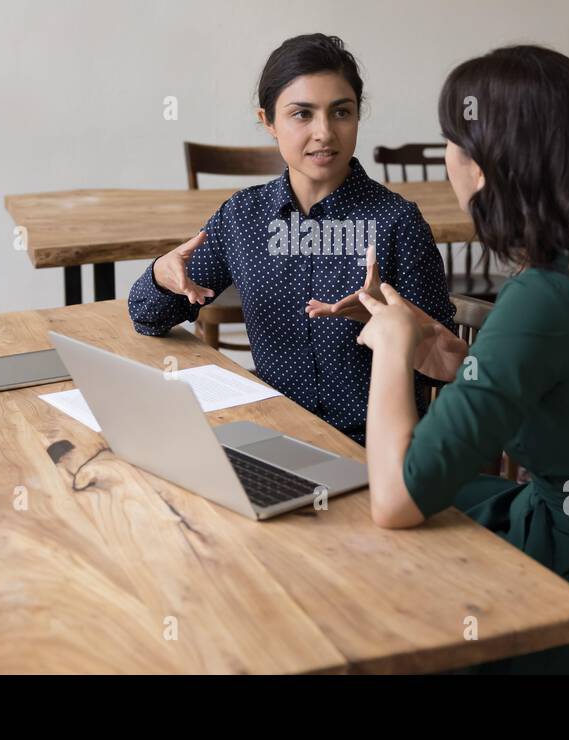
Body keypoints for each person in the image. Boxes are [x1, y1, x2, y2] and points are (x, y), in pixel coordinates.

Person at [355, 45, 569, 673]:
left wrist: (391, 345)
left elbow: (395, 500)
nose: (447, 160)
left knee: (375, 556)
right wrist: (466, 362)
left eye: (451, 144)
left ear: (486, 168)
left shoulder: (543, 297)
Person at [128, 33, 466, 444]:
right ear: (268, 121)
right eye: (302, 114)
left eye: (341, 112)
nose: (324, 132)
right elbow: (146, 317)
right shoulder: (242, 218)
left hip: (374, 452)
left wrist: (401, 329)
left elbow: (453, 369)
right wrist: (162, 277)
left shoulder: (398, 223)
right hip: (273, 437)